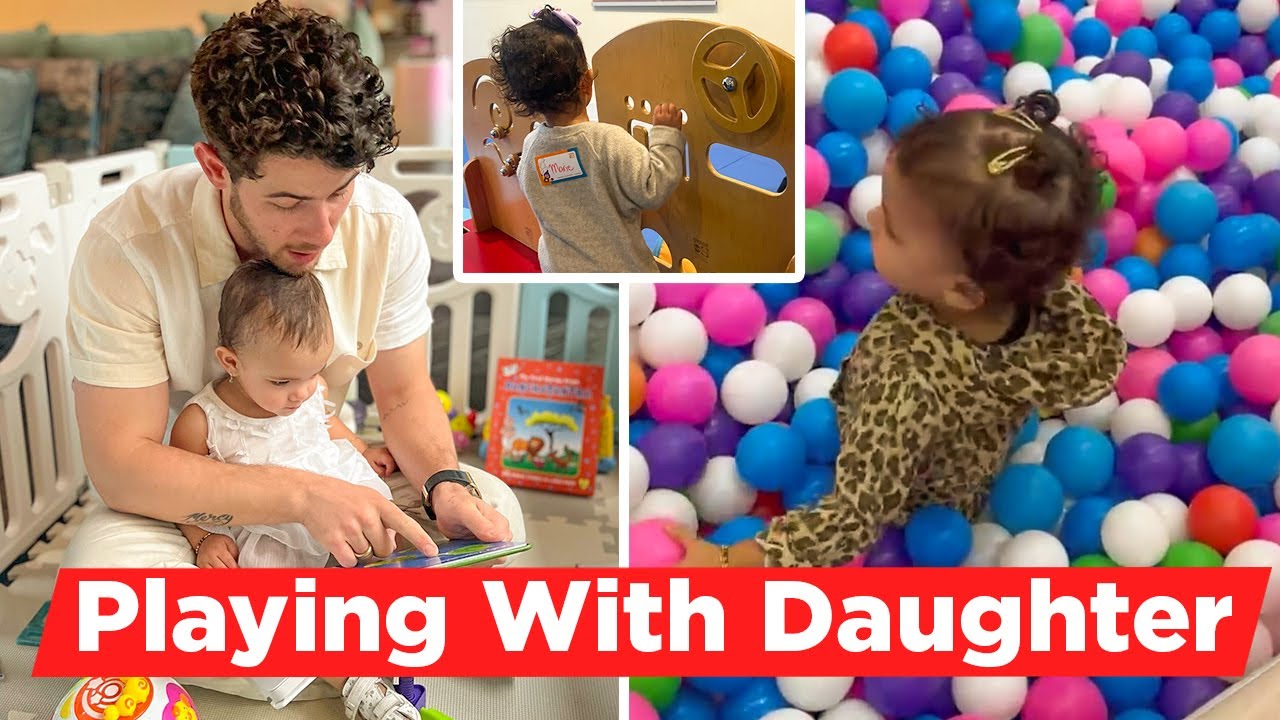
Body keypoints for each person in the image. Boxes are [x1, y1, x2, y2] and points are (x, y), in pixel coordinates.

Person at [61, 2, 524, 717]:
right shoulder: (126, 244)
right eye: (287, 201)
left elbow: (401, 399)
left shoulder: (385, 224)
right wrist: (299, 499)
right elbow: (123, 465)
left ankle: (306, 640)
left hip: (327, 468)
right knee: (105, 595)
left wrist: (443, 483)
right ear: (215, 166)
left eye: (340, 191)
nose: (321, 228)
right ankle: (366, 642)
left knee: (501, 518)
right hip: (188, 511)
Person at [670, 90, 1128, 568]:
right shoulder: (1043, 289)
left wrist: (727, 561)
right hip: (973, 459)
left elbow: (855, 516)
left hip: (920, 492)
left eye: (890, 227)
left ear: (962, 291)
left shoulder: (905, 379)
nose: (870, 216)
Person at [174, 260, 400, 570]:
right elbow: (179, 496)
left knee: (381, 531)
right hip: (271, 530)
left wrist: (363, 449)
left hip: (337, 493)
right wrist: (202, 539)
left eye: (314, 372)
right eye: (282, 382)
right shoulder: (202, 422)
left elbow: (324, 424)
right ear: (232, 362)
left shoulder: (310, 390)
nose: (302, 392)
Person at [490, 5, 685, 273]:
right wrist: (666, 134)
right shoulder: (607, 141)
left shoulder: (532, 145)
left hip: (559, 270)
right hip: (618, 271)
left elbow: (533, 186)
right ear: (586, 82)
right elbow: (652, 188)